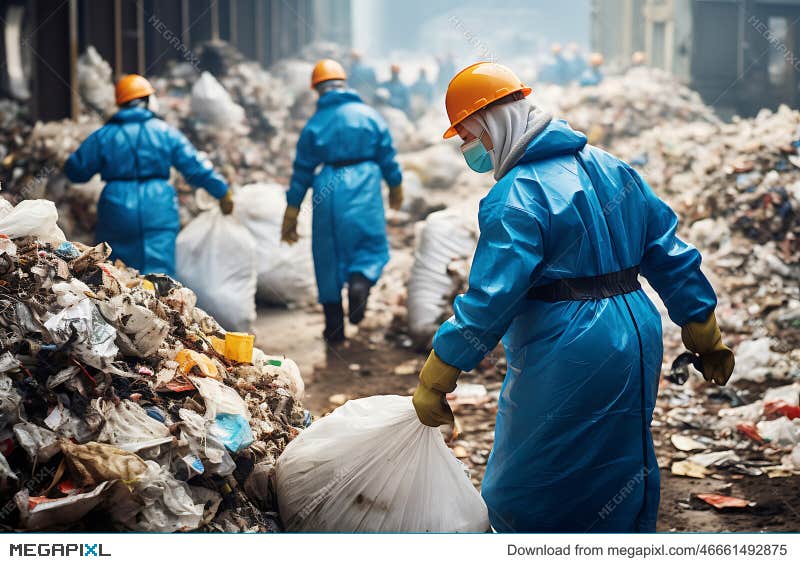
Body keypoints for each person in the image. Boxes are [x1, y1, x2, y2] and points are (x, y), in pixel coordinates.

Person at [412, 62, 735, 532]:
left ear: (491, 124)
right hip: (637, 331)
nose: (469, 150)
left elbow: (491, 300)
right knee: (619, 458)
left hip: (570, 343)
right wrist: (704, 331)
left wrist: (438, 374)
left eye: (468, 136)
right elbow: (668, 251)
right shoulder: (611, 166)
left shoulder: (516, 194)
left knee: (531, 473)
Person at [281, 59, 403, 343]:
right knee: (369, 243)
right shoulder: (369, 115)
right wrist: (395, 185)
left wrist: (292, 209)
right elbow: (388, 155)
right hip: (366, 183)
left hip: (328, 186)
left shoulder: (315, 123)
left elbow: (301, 171)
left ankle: (334, 328)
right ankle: (360, 282)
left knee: (328, 256)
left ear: (317, 89)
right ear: (344, 84)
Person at [64, 74, 231, 276]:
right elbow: (195, 167)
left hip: (116, 206)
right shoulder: (165, 132)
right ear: (146, 101)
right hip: (158, 206)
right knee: (159, 274)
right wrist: (222, 191)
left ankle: (123, 306)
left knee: (117, 273)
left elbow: (76, 171)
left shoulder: (104, 135)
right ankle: (160, 304)